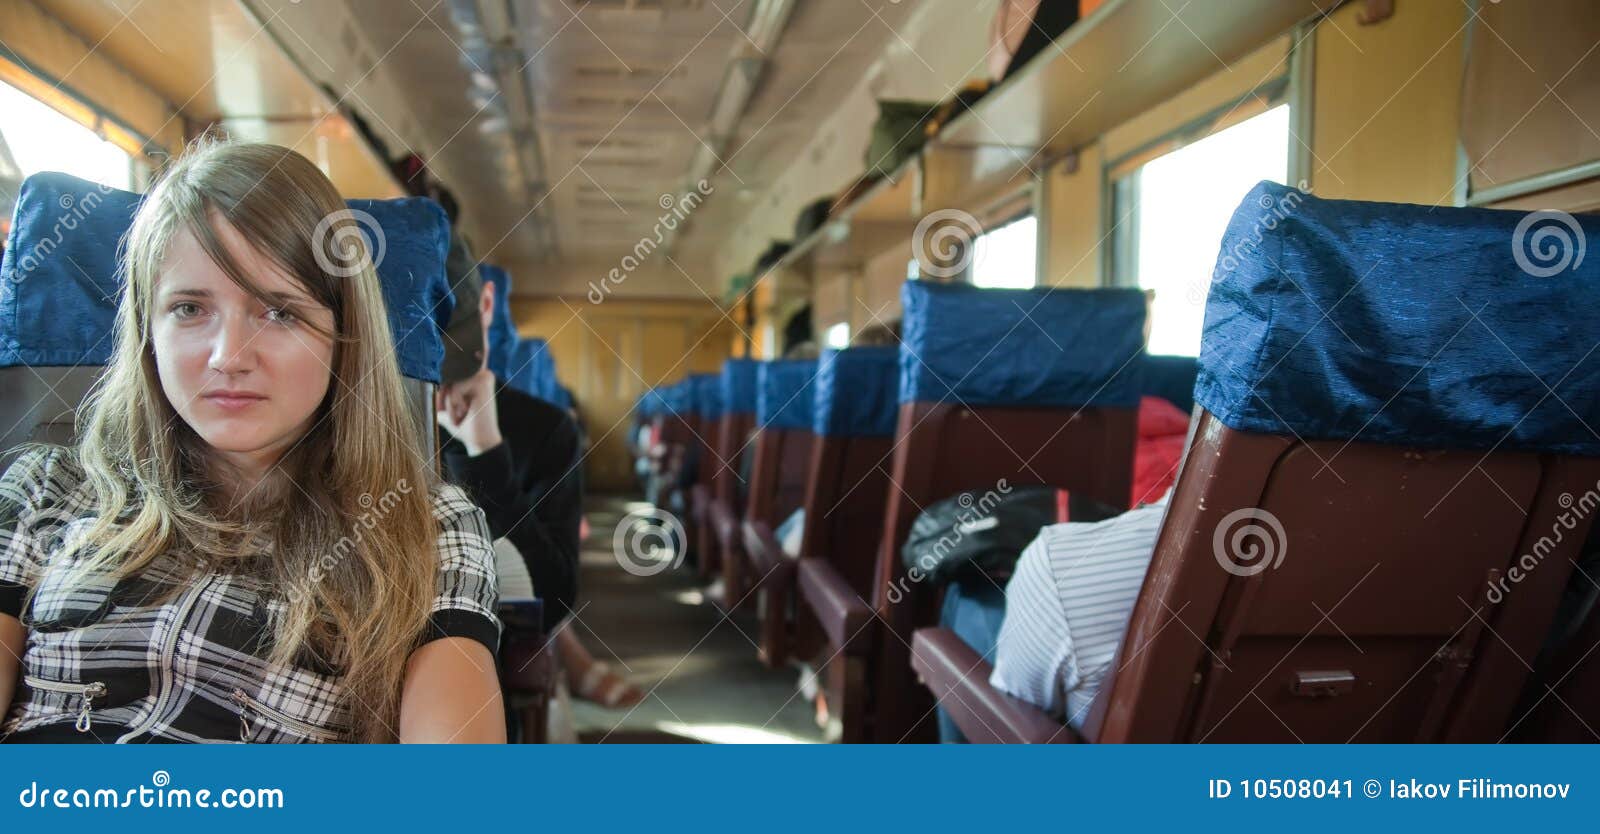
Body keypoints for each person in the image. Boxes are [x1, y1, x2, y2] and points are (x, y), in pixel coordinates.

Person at [0, 141, 503, 743]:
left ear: (344, 335)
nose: (229, 357)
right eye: (190, 309)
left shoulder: (426, 528)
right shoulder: (43, 490)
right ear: (147, 333)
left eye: (280, 313)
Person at [436, 274, 643, 708]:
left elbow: (547, 603)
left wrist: (485, 452)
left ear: (486, 305)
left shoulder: (543, 430)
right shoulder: (336, 420)